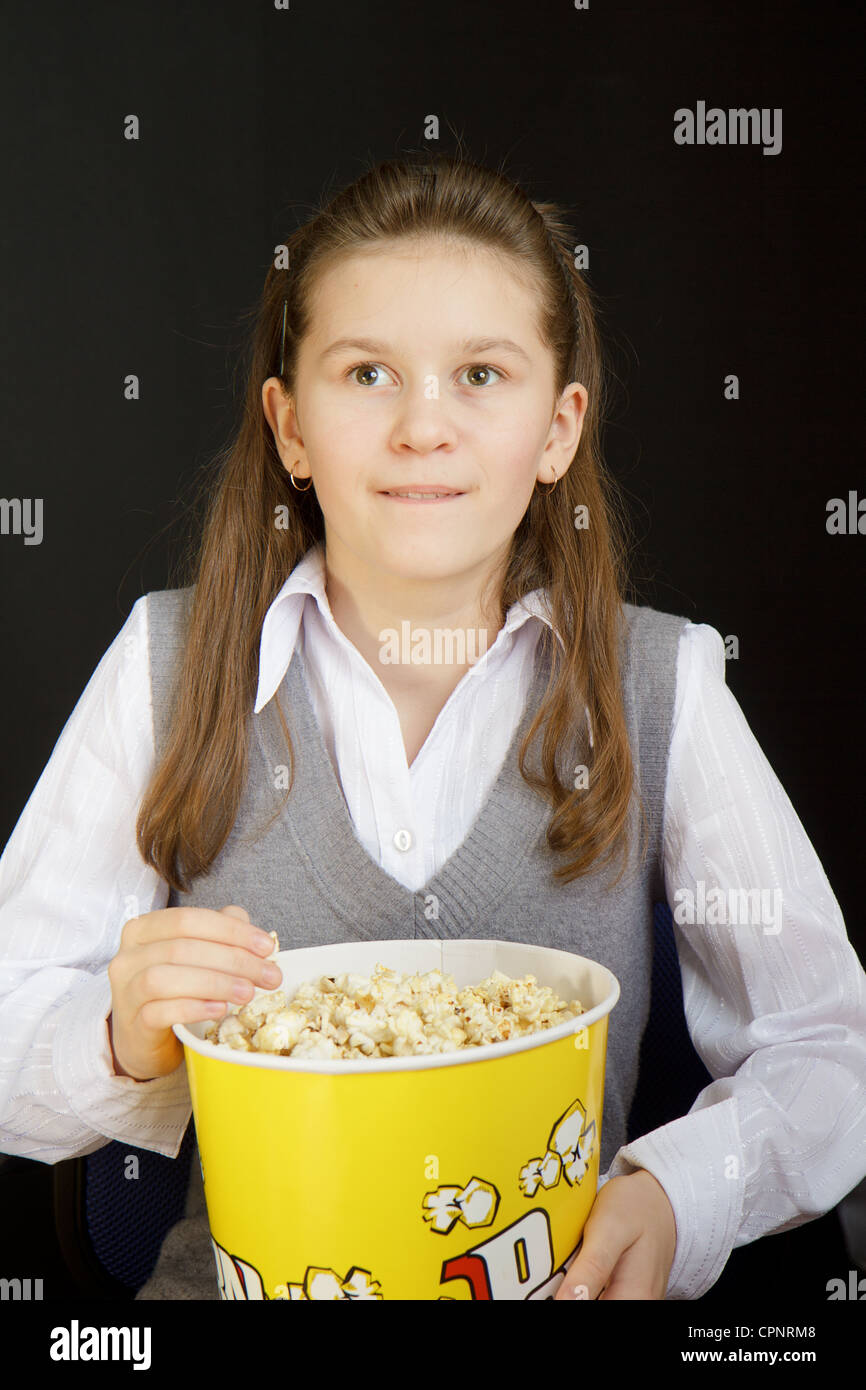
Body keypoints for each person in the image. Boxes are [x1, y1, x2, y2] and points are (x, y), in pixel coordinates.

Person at [0, 152, 864, 1302]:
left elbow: (829, 1050)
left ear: (557, 429)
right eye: (365, 373)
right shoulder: (166, 666)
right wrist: (117, 1035)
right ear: (289, 427)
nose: (422, 426)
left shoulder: (664, 683)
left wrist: (676, 1191)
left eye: (478, 375)